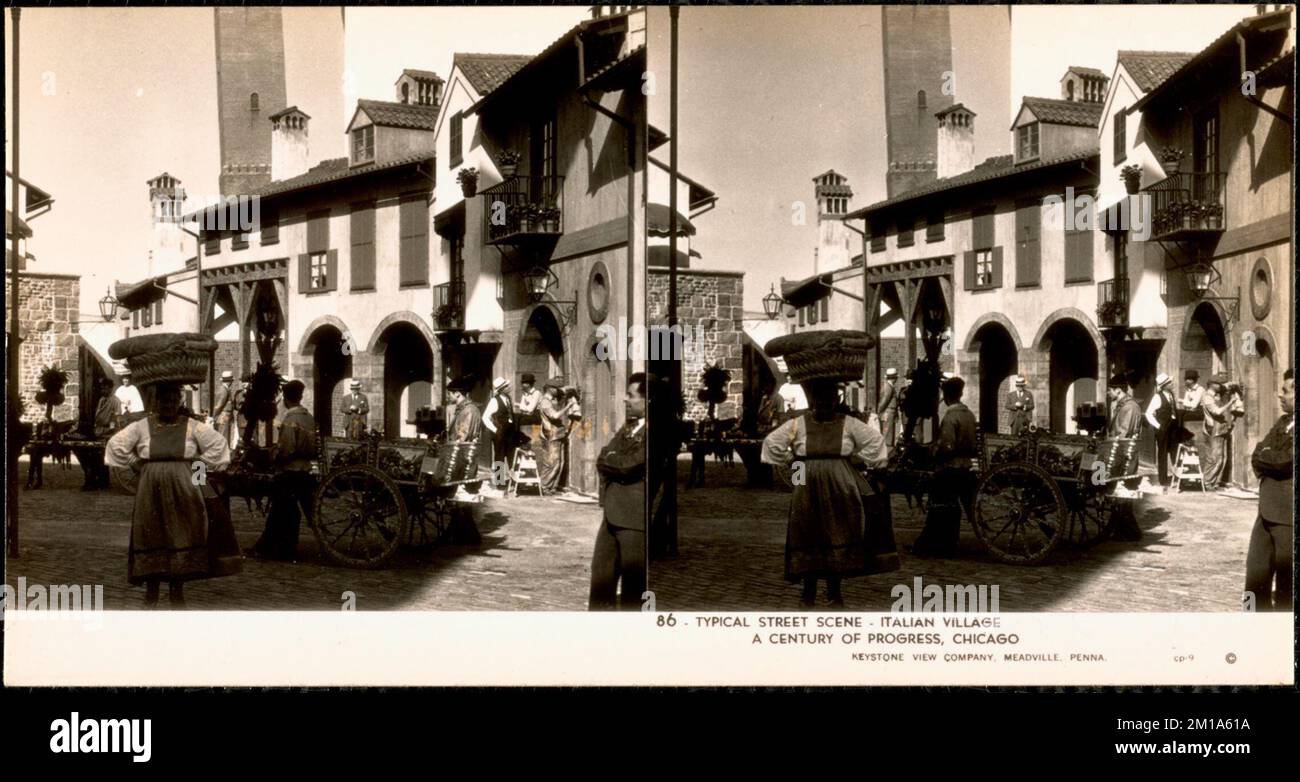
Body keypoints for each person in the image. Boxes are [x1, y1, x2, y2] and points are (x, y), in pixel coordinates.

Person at [105, 381, 234, 607]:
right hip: (150, 488)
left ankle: (177, 589)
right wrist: (135, 463)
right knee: (151, 532)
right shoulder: (142, 426)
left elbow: (219, 446)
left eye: (173, 401)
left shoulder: (193, 426)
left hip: (183, 488)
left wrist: (197, 474)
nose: (169, 405)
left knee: (181, 531)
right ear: (156, 402)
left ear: (180, 402)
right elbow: (116, 445)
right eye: (164, 401)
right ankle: (151, 589)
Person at [588, 373, 650, 610]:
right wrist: (613, 460)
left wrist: (613, 461)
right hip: (612, 515)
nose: (625, 400)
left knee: (634, 586)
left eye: (631, 395)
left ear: (647, 401)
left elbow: (630, 465)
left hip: (634, 518)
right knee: (601, 577)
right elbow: (603, 456)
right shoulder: (630, 426)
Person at [249, 380, 317, 561]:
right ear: (300, 397)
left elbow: (286, 448)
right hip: (305, 470)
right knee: (287, 511)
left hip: (290, 472)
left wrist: (273, 456)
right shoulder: (308, 417)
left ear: (285, 398)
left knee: (281, 510)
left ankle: (275, 548)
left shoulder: (290, 419)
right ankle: (278, 547)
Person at [913, 376, 978, 557]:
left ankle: (937, 544)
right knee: (951, 505)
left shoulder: (951, 417)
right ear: (960, 394)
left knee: (939, 502)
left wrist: (933, 451)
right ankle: (946, 541)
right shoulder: (969, 414)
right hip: (966, 467)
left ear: (946, 396)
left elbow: (947, 446)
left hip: (951, 468)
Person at [1245, 368, 1293, 611]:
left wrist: (1267, 456)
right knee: (1255, 576)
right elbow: (1257, 453)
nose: (1280, 395)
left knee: (1287, 584)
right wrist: (1268, 456)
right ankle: (1251, 624)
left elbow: (1287, 461)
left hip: (1287, 515)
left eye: (1286, 391)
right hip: (1265, 511)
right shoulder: (1283, 422)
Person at [1107, 371, 1144, 541]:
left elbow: (1124, 434)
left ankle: (1130, 531)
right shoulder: (1122, 405)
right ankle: (1118, 527)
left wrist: (1109, 449)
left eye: (1110, 390)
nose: (1109, 393)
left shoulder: (1130, 407)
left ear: (1118, 390)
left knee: (1123, 490)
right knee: (1117, 491)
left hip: (1125, 454)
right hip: (1119, 453)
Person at [538, 378, 580, 494]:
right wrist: (568, 406)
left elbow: (565, 390)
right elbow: (555, 416)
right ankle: (544, 487)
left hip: (558, 434)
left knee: (559, 463)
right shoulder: (545, 402)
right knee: (552, 463)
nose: (559, 391)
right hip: (551, 435)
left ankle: (550, 487)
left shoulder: (553, 398)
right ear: (550, 389)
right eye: (557, 389)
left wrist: (573, 390)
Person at [1143, 372, 1178, 490]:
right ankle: (1163, 480)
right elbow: (1148, 413)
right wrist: (1158, 426)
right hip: (1163, 428)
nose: (1172, 384)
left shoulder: (1171, 395)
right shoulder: (1157, 397)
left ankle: (1176, 477)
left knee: (1175, 451)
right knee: (1162, 453)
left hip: (1172, 427)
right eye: (1169, 383)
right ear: (1164, 385)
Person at [1201, 381, 1233, 490]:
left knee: (1218, 458)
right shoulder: (1208, 398)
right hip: (1215, 430)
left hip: (1219, 429)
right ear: (1212, 385)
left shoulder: (1214, 395)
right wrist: (1231, 402)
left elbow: (1227, 386)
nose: (1220, 386)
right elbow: (1217, 412)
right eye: (1218, 384)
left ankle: (1211, 482)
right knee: (1216, 458)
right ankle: (1207, 482)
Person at [482, 376, 519, 469]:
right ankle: (499, 481)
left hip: (509, 431)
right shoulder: (494, 400)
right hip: (500, 432)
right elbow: (485, 417)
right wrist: (495, 429)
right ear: (501, 389)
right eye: (506, 386)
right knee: (499, 456)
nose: (509, 387)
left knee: (512, 455)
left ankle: (513, 479)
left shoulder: (508, 398)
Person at [878, 367, 899, 449]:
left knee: (888, 432)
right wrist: (879, 411)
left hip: (889, 411)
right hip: (889, 412)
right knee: (888, 433)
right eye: (896, 377)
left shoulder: (889, 386)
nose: (896, 379)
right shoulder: (889, 387)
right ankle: (887, 449)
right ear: (893, 378)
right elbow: (885, 400)